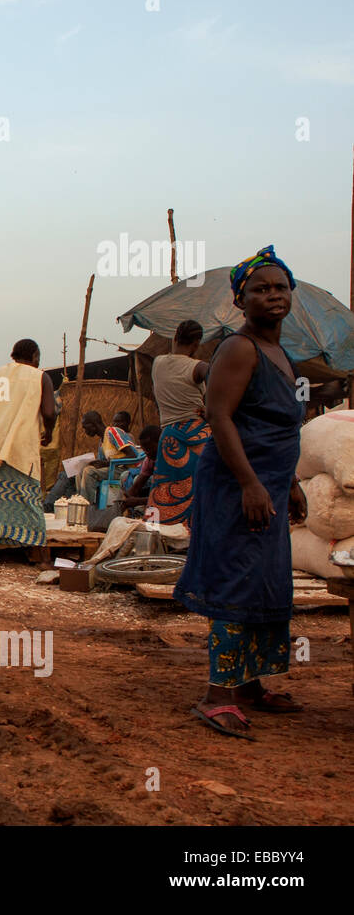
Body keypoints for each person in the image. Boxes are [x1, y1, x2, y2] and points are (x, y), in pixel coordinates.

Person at [174, 246, 308, 739]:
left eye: (280, 287)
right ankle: (218, 694)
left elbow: (278, 424)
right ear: (241, 299)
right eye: (261, 288)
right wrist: (251, 482)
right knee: (236, 581)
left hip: (269, 485)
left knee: (264, 582)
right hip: (237, 486)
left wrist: (288, 482)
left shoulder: (281, 354)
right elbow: (220, 416)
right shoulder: (238, 348)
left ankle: (249, 685)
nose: (273, 295)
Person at [0, 338, 56, 567]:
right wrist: (50, 432)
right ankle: (43, 558)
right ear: (34, 356)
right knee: (29, 499)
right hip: (19, 445)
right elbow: (49, 411)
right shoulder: (40, 376)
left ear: (13, 354)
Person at [149, 319, 212, 524]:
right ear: (196, 344)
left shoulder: (157, 363)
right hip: (198, 434)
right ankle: (195, 540)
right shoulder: (198, 367)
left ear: (175, 337)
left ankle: (162, 539)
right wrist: (210, 406)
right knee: (201, 492)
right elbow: (216, 376)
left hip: (169, 437)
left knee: (165, 492)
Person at [77, 411, 137, 504]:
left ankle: (87, 507)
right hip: (113, 470)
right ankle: (80, 502)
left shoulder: (112, 432)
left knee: (89, 472)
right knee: (80, 471)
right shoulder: (102, 442)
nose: (85, 431)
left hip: (126, 471)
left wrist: (107, 463)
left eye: (86, 427)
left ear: (93, 425)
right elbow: (104, 463)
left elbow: (133, 455)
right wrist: (96, 463)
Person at [119, 425, 162, 513]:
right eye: (144, 450)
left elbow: (165, 497)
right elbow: (137, 486)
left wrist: (137, 501)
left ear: (160, 443)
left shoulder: (171, 462)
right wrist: (126, 499)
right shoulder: (149, 460)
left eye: (149, 449)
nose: (147, 453)